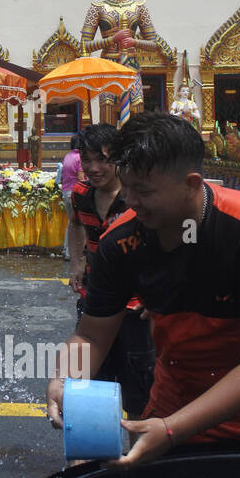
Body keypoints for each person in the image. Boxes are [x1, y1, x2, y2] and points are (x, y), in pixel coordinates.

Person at [47, 113, 240, 464]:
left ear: (192, 183)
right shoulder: (119, 242)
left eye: (144, 191)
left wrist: (171, 429)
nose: (131, 200)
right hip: (174, 408)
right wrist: (62, 380)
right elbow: (91, 337)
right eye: (127, 185)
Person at [66, 124, 154, 419]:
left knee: (140, 390)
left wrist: (158, 290)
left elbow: (167, 243)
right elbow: (76, 224)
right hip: (95, 298)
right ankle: (96, 458)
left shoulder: (138, 197)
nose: (93, 168)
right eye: (86, 159)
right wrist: (76, 262)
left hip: (137, 308)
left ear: (118, 158)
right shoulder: (80, 194)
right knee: (91, 384)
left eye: (102, 159)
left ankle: (141, 459)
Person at [58, 134, 82, 259]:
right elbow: (81, 178)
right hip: (75, 192)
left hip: (66, 191)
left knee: (71, 222)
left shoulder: (68, 156)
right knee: (78, 223)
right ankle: (72, 251)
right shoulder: (79, 157)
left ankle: (67, 250)